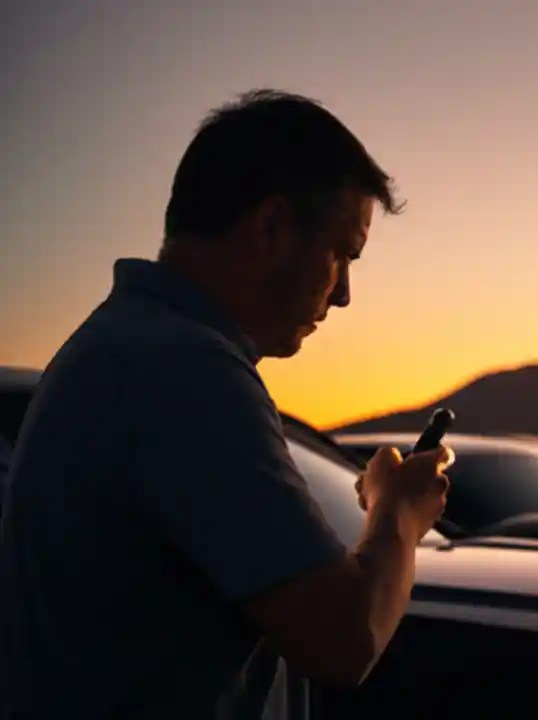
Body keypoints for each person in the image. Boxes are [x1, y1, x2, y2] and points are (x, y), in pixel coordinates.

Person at [0, 90, 451, 719]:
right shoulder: (182, 372)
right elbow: (345, 639)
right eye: (342, 255)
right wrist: (397, 511)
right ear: (270, 228)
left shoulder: (129, 346)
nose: (344, 294)